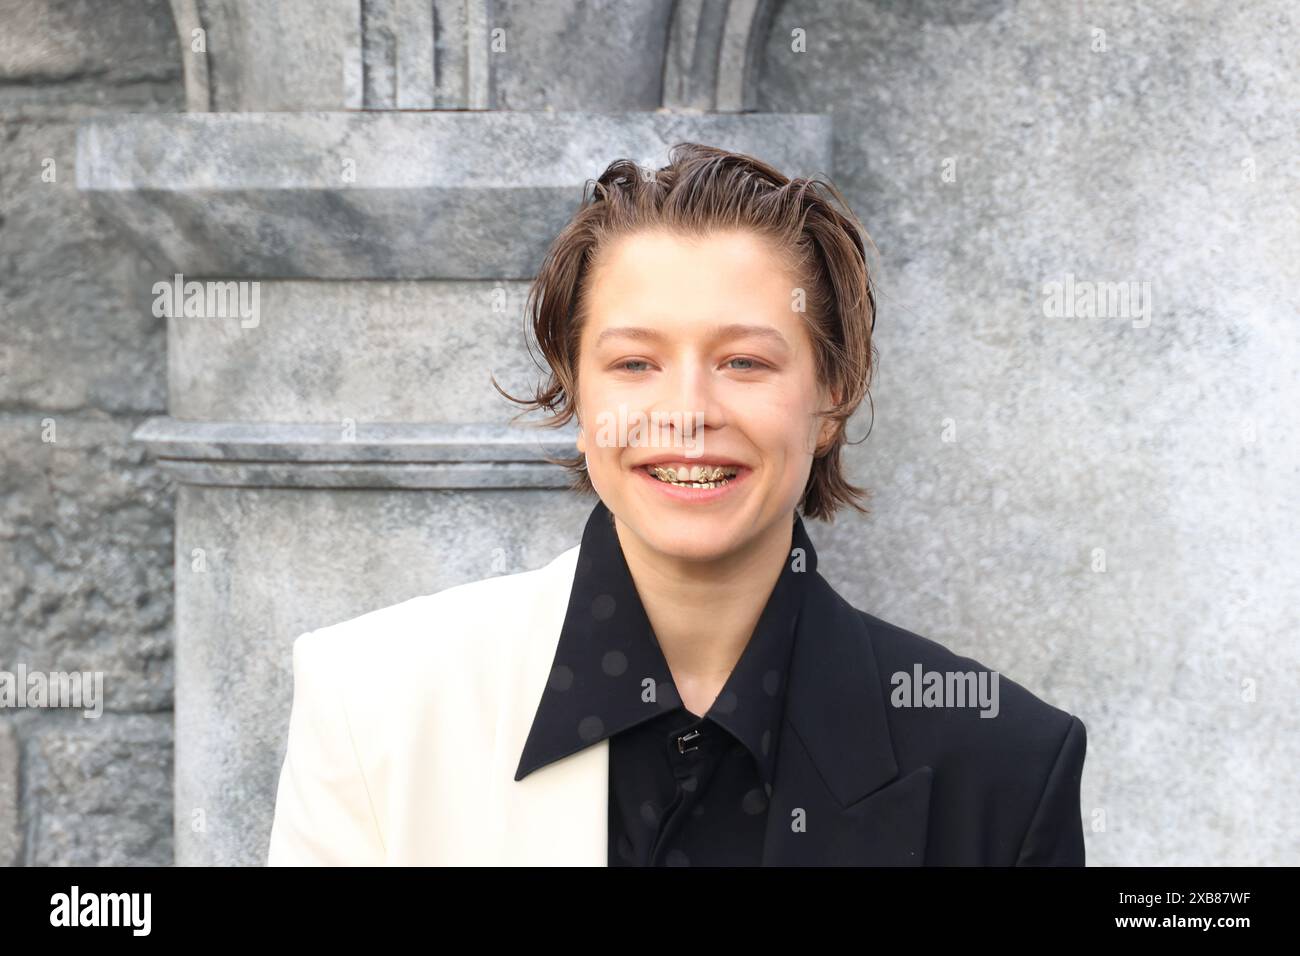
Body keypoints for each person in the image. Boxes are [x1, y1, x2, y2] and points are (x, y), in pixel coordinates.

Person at [266, 143, 1086, 866]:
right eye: (634, 364)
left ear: (833, 396)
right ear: (574, 390)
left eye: (744, 362)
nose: (688, 411)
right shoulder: (370, 706)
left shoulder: (1004, 763)